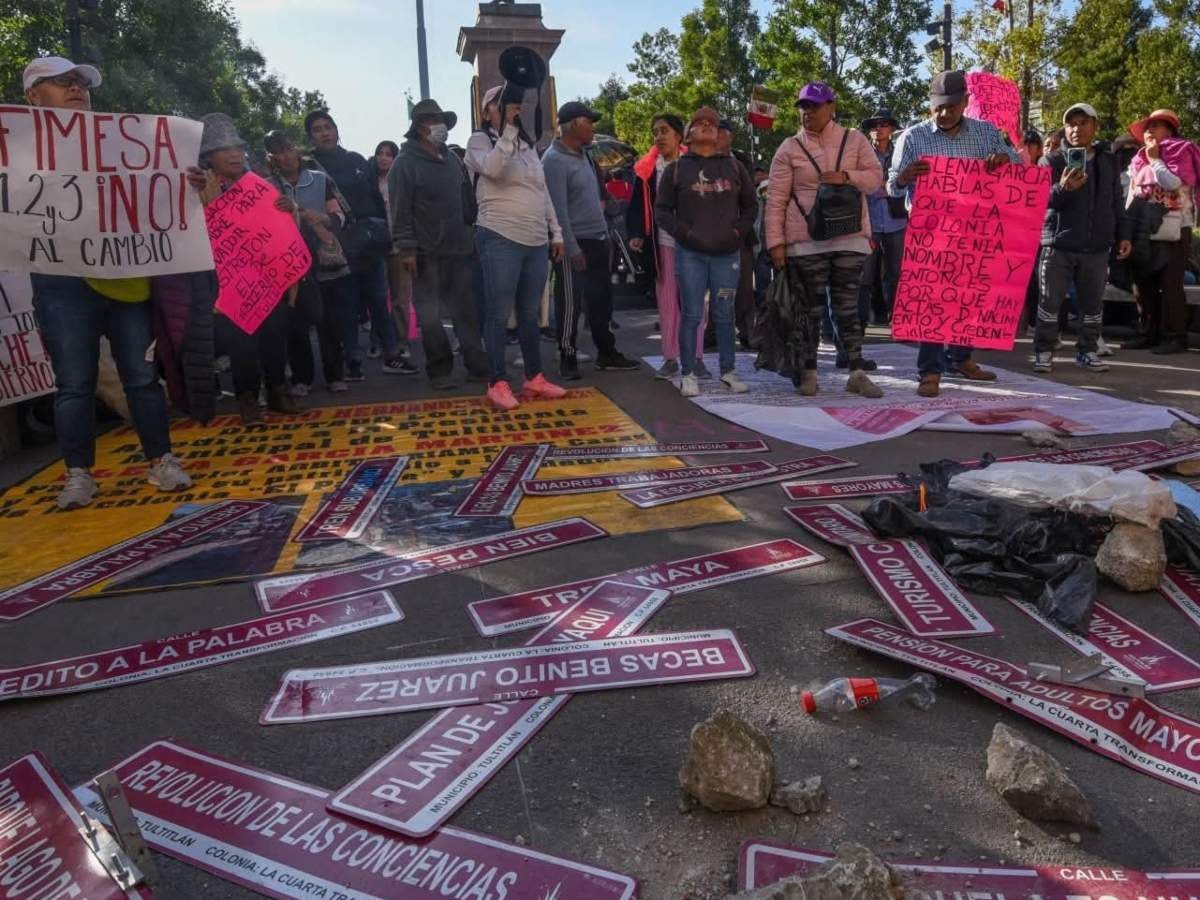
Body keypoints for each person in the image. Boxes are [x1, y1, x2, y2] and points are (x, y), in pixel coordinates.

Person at [22, 56, 192, 509]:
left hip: (124, 278)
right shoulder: (14, 152)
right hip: (60, 280)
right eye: (62, 82)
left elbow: (159, 195)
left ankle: (162, 460)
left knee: (140, 377)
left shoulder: (124, 144)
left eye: (80, 83)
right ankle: (78, 475)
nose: (76, 89)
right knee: (74, 382)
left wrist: (187, 185)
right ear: (33, 97)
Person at [888, 70, 1021, 397]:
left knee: (969, 299)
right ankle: (930, 371)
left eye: (951, 106)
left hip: (975, 231)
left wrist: (1005, 159)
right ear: (930, 105)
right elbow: (890, 186)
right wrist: (905, 177)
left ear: (965, 102)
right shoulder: (913, 137)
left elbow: (1019, 168)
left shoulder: (987, 133)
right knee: (933, 302)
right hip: (930, 232)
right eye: (938, 108)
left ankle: (960, 358)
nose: (944, 113)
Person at [764, 83, 884, 398]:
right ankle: (809, 373)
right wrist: (775, 243)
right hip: (804, 240)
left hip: (850, 237)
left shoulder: (855, 139)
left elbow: (875, 179)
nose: (808, 112)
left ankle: (856, 372)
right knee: (810, 311)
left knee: (848, 308)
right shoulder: (789, 148)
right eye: (803, 106)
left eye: (815, 106)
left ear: (831, 107)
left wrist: (847, 177)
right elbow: (776, 198)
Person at [466, 88, 568, 410]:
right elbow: (494, 169)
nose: (511, 108)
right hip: (499, 236)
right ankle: (497, 382)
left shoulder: (527, 146)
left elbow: (542, 191)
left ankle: (534, 378)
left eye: (514, 103)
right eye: (502, 103)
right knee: (497, 314)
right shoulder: (479, 142)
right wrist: (508, 132)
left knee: (528, 314)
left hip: (536, 241)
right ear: (487, 112)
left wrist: (557, 232)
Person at [198, 114, 300, 425]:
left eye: (237, 148)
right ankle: (247, 398)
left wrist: (289, 209)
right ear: (208, 158)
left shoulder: (261, 187)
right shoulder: (199, 189)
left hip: (268, 276)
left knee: (274, 335)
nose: (234, 154)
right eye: (224, 149)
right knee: (241, 342)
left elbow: (285, 229)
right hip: (229, 283)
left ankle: (278, 391)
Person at [654, 106, 756, 398]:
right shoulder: (676, 170)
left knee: (724, 315)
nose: (708, 126)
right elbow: (662, 211)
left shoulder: (734, 166)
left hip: (727, 255)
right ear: (688, 134)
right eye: (699, 123)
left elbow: (751, 206)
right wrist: (686, 234)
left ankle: (728, 370)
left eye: (712, 123)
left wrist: (737, 231)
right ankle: (688, 372)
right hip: (691, 255)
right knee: (692, 314)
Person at [391, 99, 490, 389]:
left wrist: (471, 230)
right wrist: (406, 248)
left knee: (466, 311)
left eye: (443, 121)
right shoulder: (404, 163)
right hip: (425, 253)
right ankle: (440, 371)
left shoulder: (451, 159)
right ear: (421, 127)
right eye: (436, 121)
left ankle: (477, 365)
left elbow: (466, 200)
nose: (442, 127)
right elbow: (399, 210)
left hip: (459, 248)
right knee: (430, 316)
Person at [305, 109, 409, 379]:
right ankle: (353, 361)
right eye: (317, 129)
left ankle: (392, 355)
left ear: (337, 130)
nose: (325, 133)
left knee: (378, 300)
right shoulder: (309, 167)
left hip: (368, 243)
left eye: (328, 127)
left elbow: (374, 196)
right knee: (347, 306)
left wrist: (381, 232)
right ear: (310, 136)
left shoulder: (356, 160)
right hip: (336, 246)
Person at [542, 101, 640, 379]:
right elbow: (557, 210)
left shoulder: (585, 155)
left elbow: (596, 196)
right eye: (589, 121)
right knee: (570, 302)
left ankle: (606, 353)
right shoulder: (553, 160)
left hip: (598, 239)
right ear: (574, 124)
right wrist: (570, 246)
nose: (592, 127)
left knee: (601, 301)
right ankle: (567, 355)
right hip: (574, 243)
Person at [1032, 103, 1132, 374]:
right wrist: (1062, 188)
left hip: (1096, 246)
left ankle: (1087, 351)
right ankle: (1043, 351)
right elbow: (1038, 201)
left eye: (1083, 123)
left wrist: (1123, 235)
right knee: (1049, 303)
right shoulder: (1050, 161)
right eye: (1071, 124)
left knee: (1092, 305)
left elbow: (1116, 202)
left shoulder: (1109, 161)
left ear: (1094, 126)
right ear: (1065, 129)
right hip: (1058, 244)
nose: (1076, 129)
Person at [264, 130, 348, 395]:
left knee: (330, 322)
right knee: (296, 324)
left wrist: (308, 216)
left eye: (289, 148)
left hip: (324, 262)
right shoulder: (266, 186)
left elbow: (341, 218)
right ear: (271, 158)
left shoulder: (321, 180)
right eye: (278, 151)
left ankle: (335, 375)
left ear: (298, 151)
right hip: (287, 266)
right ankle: (302, 378)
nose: (286, 155)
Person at [628, 114, 711, 379]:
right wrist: (637, 233)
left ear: (678, 135)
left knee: (696, 304)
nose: (659, 137)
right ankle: (671, 358)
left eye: (664, 131)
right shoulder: (647, 170)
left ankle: (697, 358)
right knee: (667, 306)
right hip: (662, 246)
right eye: (655, 132)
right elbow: (637, 207)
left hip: (694, 245)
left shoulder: (696, 165)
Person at [1123, 108, 1198, 354]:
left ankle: (1175, 336)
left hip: (1175, 228)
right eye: (1147, 128)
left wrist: (1156, 159)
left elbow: (1174, 183)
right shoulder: (1137, 159)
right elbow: (1133, 193)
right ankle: (1148, 332)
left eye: (1156, 126)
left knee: (1170, 284)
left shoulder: (1182, 151)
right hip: (1144, 229)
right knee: (1143, 283)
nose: (1149, 131)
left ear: (1170, 130)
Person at [859, 109, 907, 329]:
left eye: (884, 124)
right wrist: (882, 187)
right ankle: (859, 321)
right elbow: (859, 183)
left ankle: (896, 318)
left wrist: (890, 188)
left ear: (892, 129)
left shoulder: (902, 153)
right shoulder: (861, 155)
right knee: (865, 274)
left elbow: (906, 183)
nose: (879, 129)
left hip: (896, 222)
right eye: (874, 125)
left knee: (896, 273)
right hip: (868, 223)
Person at [372, 141, 418, 372]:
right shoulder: (369, 182)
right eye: (380, 153)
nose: (383, 158)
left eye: (388, 154)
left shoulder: (402, 181)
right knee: (378, 298)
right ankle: (379, 342)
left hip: (400, 247)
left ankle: (401, 342)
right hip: (377, 248)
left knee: (401, 298)